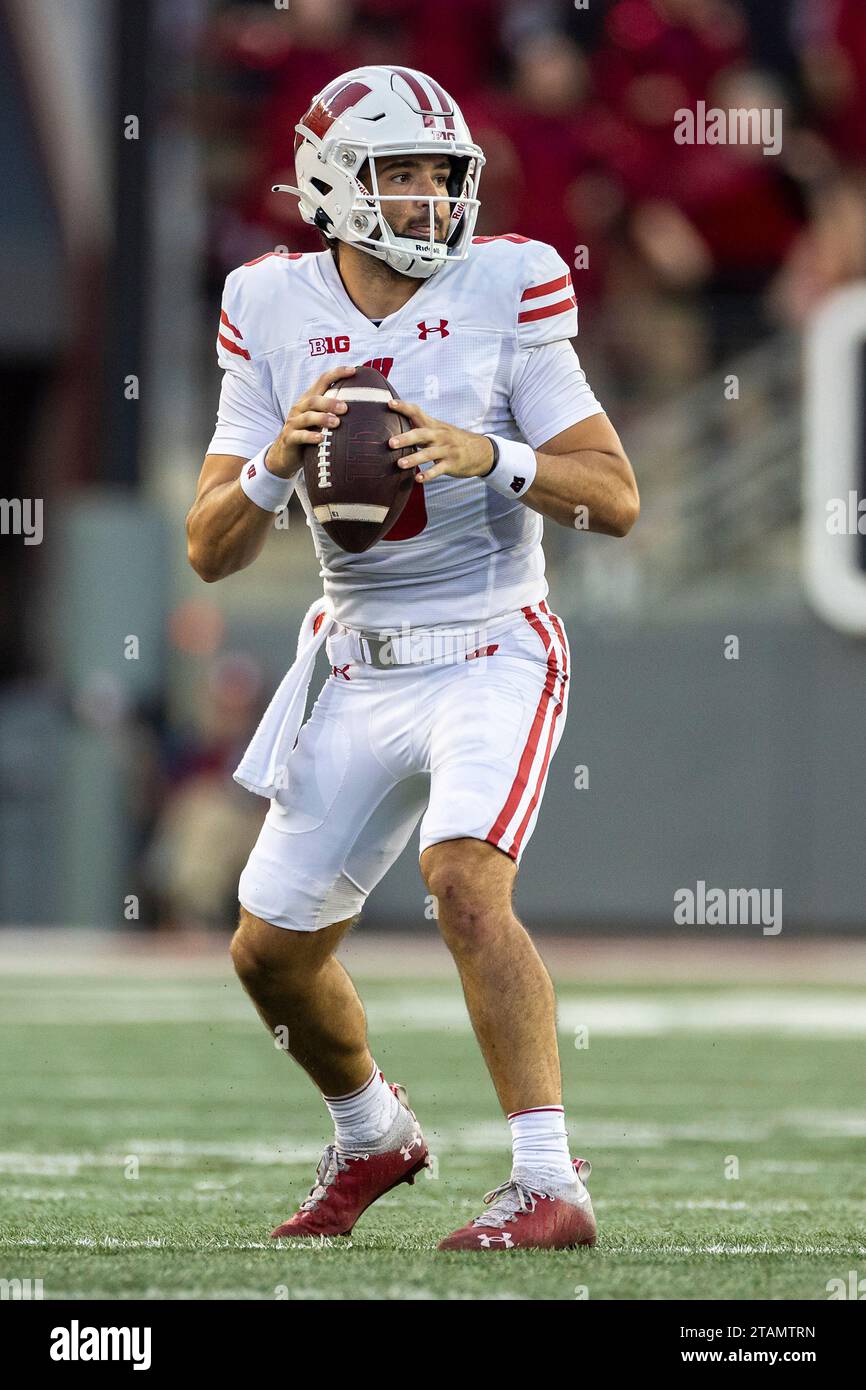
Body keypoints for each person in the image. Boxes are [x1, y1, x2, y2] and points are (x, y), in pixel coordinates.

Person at [186, 65, 639, 1252]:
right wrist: (276, 463)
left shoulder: (514, 281)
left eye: (446, 175)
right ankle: (374, 1129)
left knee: (464, 883)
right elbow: (207, 547)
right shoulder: (267, 301)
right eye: (404, 174)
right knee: (270, 955)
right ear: (335, 181)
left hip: (491, 643)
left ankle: (547, 1179)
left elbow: (616, 498)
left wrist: (488, 455)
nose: (433, 199)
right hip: (354, 656)